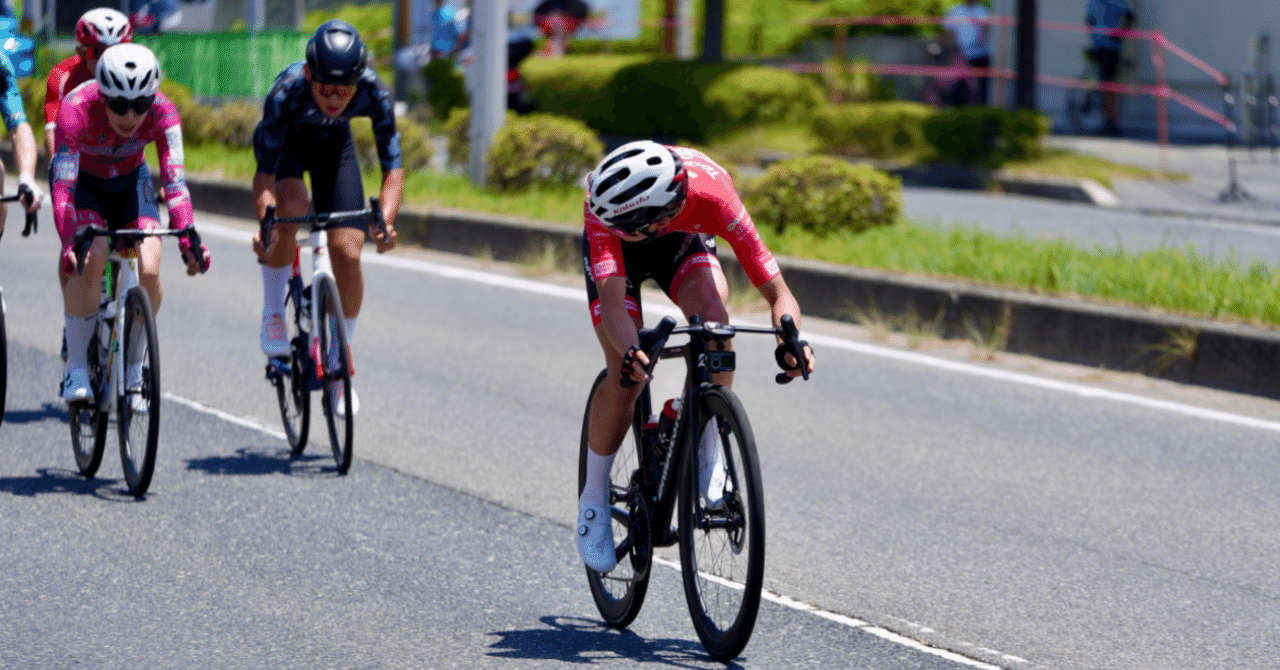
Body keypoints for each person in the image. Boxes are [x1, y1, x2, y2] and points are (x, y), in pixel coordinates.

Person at [576, 141, 816, 572]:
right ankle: (593, 500)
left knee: (714, 321)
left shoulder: (714, 193)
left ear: (661, 216)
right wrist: (631, 352)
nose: (624, 232)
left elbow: (779, 293)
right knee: (625, 377)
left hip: (681, 241)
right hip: (623, 258)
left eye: (629, 229)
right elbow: (612, 305)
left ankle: (708, 442)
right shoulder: (603, 208)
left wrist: (791, 339)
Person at [251, 19, 402, 418]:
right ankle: (273, 310)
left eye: (344, 90)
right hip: (288, 149)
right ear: (308, 74)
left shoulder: (374, 91)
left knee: (348, 251)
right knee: (292, 207)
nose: (335, 98)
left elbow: (393, 168)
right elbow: (264, 177)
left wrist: (385, 220)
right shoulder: (286, 92)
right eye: (325, 88)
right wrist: (266, 223)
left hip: (335, 151)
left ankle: (339, 359)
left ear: (358, 81)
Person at [52, 43, 209, 404]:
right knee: (92, 255)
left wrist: (189, 240)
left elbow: (175, 181)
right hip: (83, 184)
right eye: (120, 105)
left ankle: (135, 371)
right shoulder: (76, 109)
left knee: (149, 266)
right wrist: (69, 242)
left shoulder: (165, 113)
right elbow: (63, 188)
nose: (131, 115)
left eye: (141, 105)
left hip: (131, 182)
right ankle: (76, 366)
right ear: (102, 96)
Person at [1085, 0, 1134, 136]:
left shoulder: (1117, 1)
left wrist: (1120, 34)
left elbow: (1130, 17)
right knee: (1103, 84)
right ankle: (1107, 121)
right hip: (1098, 46)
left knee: (1109, 86)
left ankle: (1110, 123)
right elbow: (1089, 20)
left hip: (1112, 49)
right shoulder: (1093, 2)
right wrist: (1094, 35)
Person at [943, 0, 991, 106]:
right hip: (962, 55)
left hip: (980, 54)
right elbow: (949, 30)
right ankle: (959, 107)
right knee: (960, 82)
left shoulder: (982, 10)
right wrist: (954, 48)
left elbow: (986, 28)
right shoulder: (956, 11)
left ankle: (981, 107)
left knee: (982, 83)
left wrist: (980, 40)